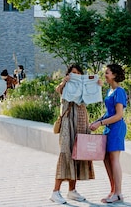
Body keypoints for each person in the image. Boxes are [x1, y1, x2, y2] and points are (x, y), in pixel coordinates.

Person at [49, 65, 94, 205]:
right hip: (68, 125)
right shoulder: (65, 85)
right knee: (66, 154)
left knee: (77, 155)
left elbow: (90, 98)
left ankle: (72, 190)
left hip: (81, 123)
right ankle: (55, 192)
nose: (76, 75)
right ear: (68, 74)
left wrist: (95, 84)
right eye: (73, 73)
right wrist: (64, 82)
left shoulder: (83, 87)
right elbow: (59, 90)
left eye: (78, 73)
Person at [89, 63, 127, 204]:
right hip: (109, 128)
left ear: (114, 75)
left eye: (107, 73)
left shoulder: (119, 91)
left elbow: (118, 115)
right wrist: (97, 121)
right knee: (106, 159)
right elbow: (108, 113)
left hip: (116, 128)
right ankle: (113, 191)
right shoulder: (110, 91)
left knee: (114, 159)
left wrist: (100, 123)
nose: (105, 75)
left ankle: (118, 193)